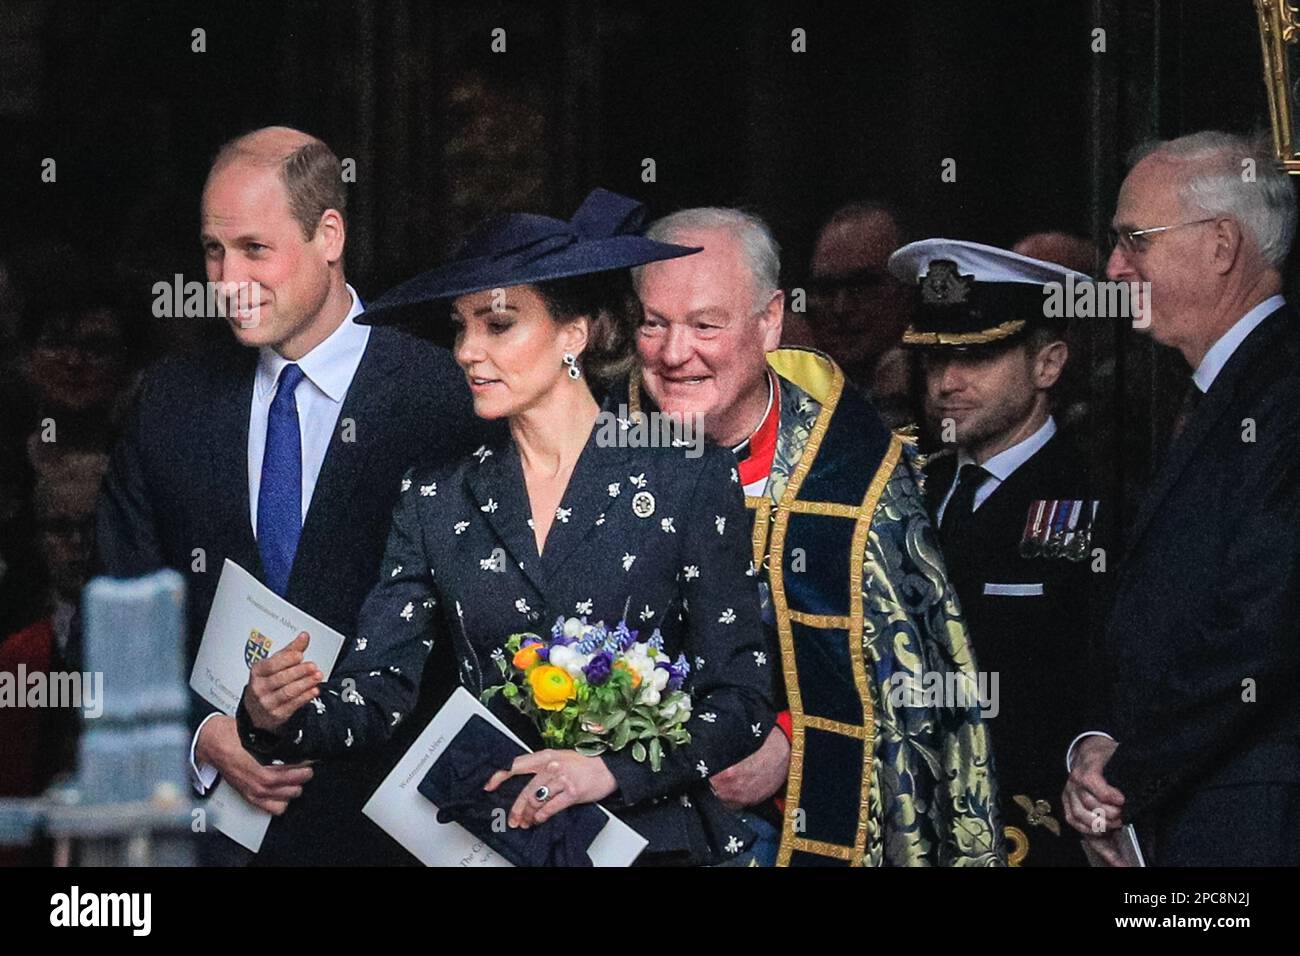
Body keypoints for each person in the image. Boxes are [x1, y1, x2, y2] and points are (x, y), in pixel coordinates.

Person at [234, 188, 777, 866]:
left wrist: (612, 772)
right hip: (494, 844)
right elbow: (376, 693)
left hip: (655, 847)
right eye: (460, 327)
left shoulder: (685, 475)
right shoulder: (435, 495)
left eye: (496, 325)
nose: (466, 351)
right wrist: (273, 719)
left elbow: (742, 698)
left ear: (574, 333)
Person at [95, 126, 486, 865]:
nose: (227, 279)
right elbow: (116, 606)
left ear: (328, 234)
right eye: (214, 251)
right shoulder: (171, 403)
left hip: (396, 839)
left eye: (254, 249)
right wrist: (203, 732)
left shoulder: (450, 400)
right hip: (217, 838)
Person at [625, 207, 1004, 866]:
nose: (674, 352)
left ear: (770, 320)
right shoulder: (600, 442)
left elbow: (914, 689)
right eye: (654, 323)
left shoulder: (859, 474)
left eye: (705, 325)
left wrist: (793, 739)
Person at [1063, 131, 1300, 866]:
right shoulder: (1217, 393)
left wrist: (1126, 783)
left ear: (1223, 244)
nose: (1113, 267)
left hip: (1252, 823)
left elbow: (1262, 627)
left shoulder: (1285, 393)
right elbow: (1161, 613)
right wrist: (1102, 744)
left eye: (1136, 240)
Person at [890, 238, 1108, 866]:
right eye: (935, 360)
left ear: (1048, 365)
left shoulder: (1095, 499)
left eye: (978, 356)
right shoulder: (903, 489)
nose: (948, 383)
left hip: (1030, 828)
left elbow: (1102, 669)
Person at [806, 201, 916, 427]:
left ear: (906, 289)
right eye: (826, 288)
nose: (841, 307)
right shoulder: (794, 397)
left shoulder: (944, 397)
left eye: (862, 285)